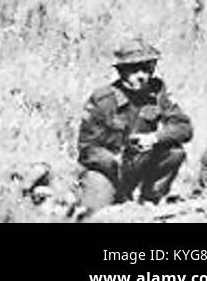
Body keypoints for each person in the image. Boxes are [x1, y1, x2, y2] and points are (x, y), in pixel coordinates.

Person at [75, 38, 193, 217]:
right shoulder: (102, 100)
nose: (141, 75)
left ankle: (149, 201)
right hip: (107, 171)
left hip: (140, 164)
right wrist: (115, 161)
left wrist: (153, 138)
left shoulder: (157, 92)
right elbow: (87, 149)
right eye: (134, 69)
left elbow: (183, 127)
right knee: (95, 214)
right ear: (121, 71)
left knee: (174, 152)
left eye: (147, 69)